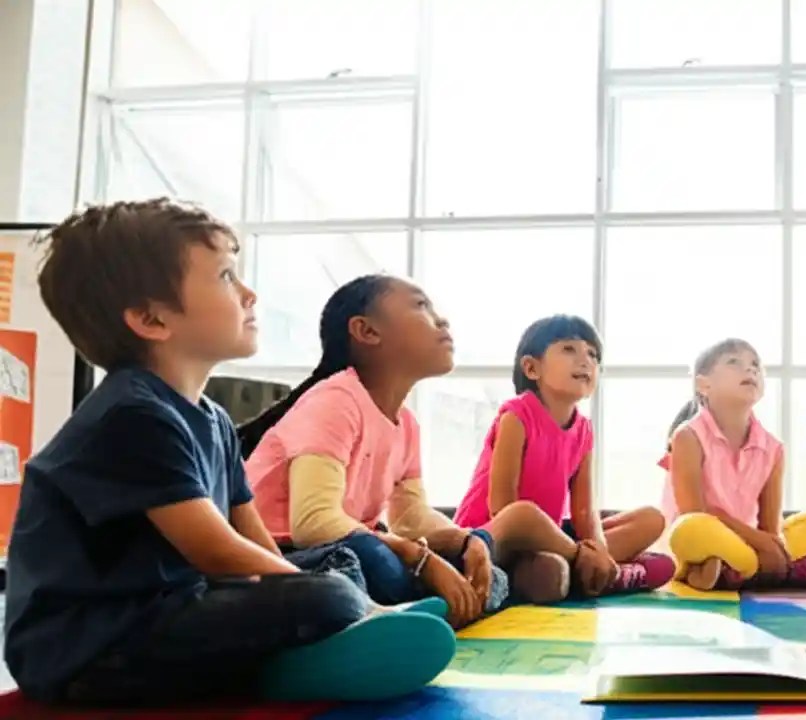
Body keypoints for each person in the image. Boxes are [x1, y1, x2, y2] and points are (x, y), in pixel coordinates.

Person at [4, 199, 454, 706]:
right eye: (225, 277)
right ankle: (307, 657)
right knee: (324, 591)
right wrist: (349, 601)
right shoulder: (132, 414)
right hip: (83, 648)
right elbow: (216, 551)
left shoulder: (213, 420)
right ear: (151, 318)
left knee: (328, 575)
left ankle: (327, 636)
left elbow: (253, 536)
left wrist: (317, 584)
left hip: (167, 611)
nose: (249, 293)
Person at [239, 276, 588, 627]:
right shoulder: (335, 400)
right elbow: (312, 523)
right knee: (373, 557)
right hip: (286, 557)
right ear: (367, 331)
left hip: (349, 549)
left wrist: (467, 542)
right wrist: (421, 558)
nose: (441, 320)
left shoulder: (405, 422)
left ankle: (425, 606)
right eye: (421, 306)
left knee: (466, 564)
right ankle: (422, 607)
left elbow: (411, 517)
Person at [453, 314, 674, 601]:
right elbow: (502, 507)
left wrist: (598, 547)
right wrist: (584, 551)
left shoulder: (583, 430)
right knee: (529, 522)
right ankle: (606, 573)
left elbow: (584, 512)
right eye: (569, 349)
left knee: (652, 519)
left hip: (551, 539)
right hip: (497, 537)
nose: (585, 360)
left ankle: (594, 568)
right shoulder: (517, 416)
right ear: (532, 368)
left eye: (593, 355)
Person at [660, 339, 806, 591]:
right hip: (700, 537)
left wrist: (768, 543)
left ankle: (733, 570)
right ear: (703, 384)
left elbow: (770, 528)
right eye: (734, 362)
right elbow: (693, 512)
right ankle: (773, 569)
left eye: (755, 365)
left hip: (747, 542)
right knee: (692, 530)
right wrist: (760, 542)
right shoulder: (688, 436)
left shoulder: (773, 449)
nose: (750, 370)